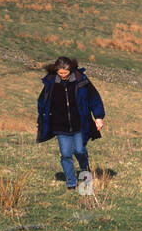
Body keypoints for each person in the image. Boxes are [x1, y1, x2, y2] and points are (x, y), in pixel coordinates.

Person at [36, 56, 105, 191]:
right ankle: (71, 183)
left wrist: (98, 117)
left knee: (80, 150)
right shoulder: (51, 82)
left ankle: (85, 174)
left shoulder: (81, 80)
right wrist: (40, 121)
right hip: (60, 125)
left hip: (79, 123)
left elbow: (94, 98)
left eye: (65, 73)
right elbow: (42, 103)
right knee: (66, 153)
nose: (62, 76)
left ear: (71, 70)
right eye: (60, 73)